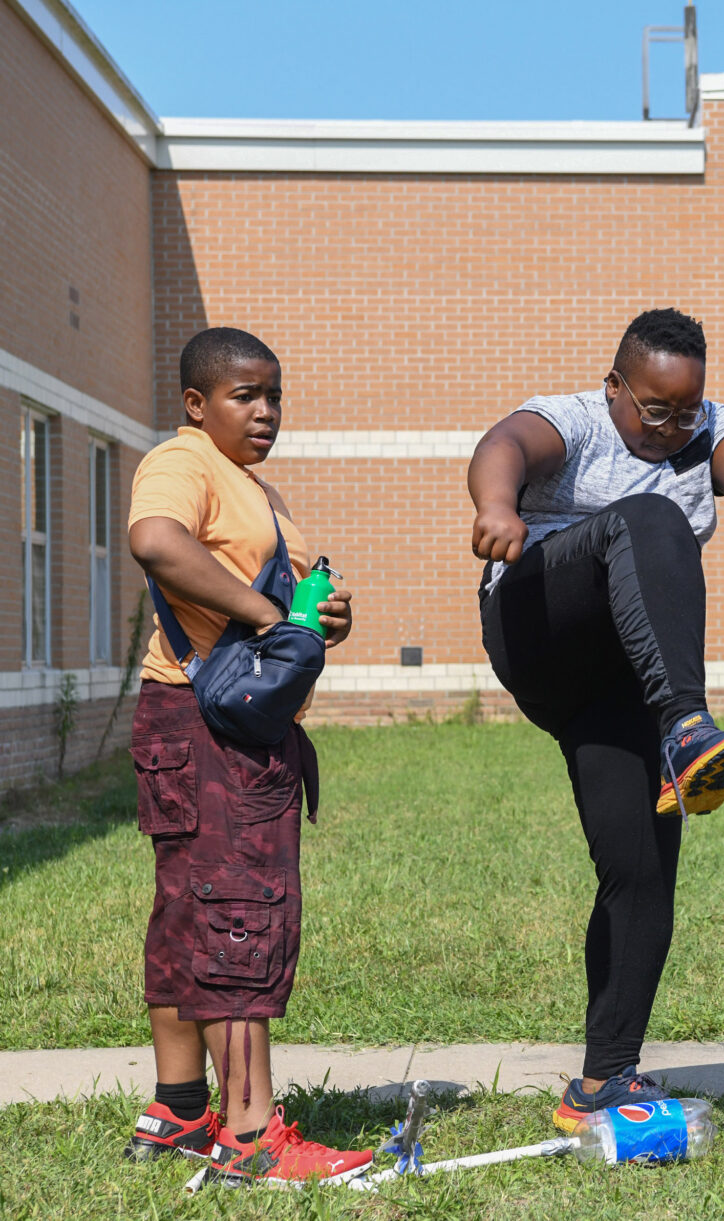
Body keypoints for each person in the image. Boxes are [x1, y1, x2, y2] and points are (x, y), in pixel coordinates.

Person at [469, 307, 724, 1129]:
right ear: (616, 385)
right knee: (651, 517)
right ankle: (689, 726)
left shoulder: (706, 431)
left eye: (686, 411)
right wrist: (499, 505)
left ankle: (603, 1078)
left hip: (618, 682)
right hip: (537, 616)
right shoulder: (578, 420)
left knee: (644, 870)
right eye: (653, 409)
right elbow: (501, 445)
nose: (670, 428)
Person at [125, 327, 373, 1185]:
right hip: (211, 731)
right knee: (242, 912)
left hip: (197, 727)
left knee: (189, 911)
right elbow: (156, 539)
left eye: (274, 395)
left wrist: (317, 617)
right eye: (245, 395)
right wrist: (271, 620)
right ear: (198, 403)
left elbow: (256, 593)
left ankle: (180, 1108)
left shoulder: (249, 487)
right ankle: (249, 1134)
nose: (265, 411)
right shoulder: (183, 461)